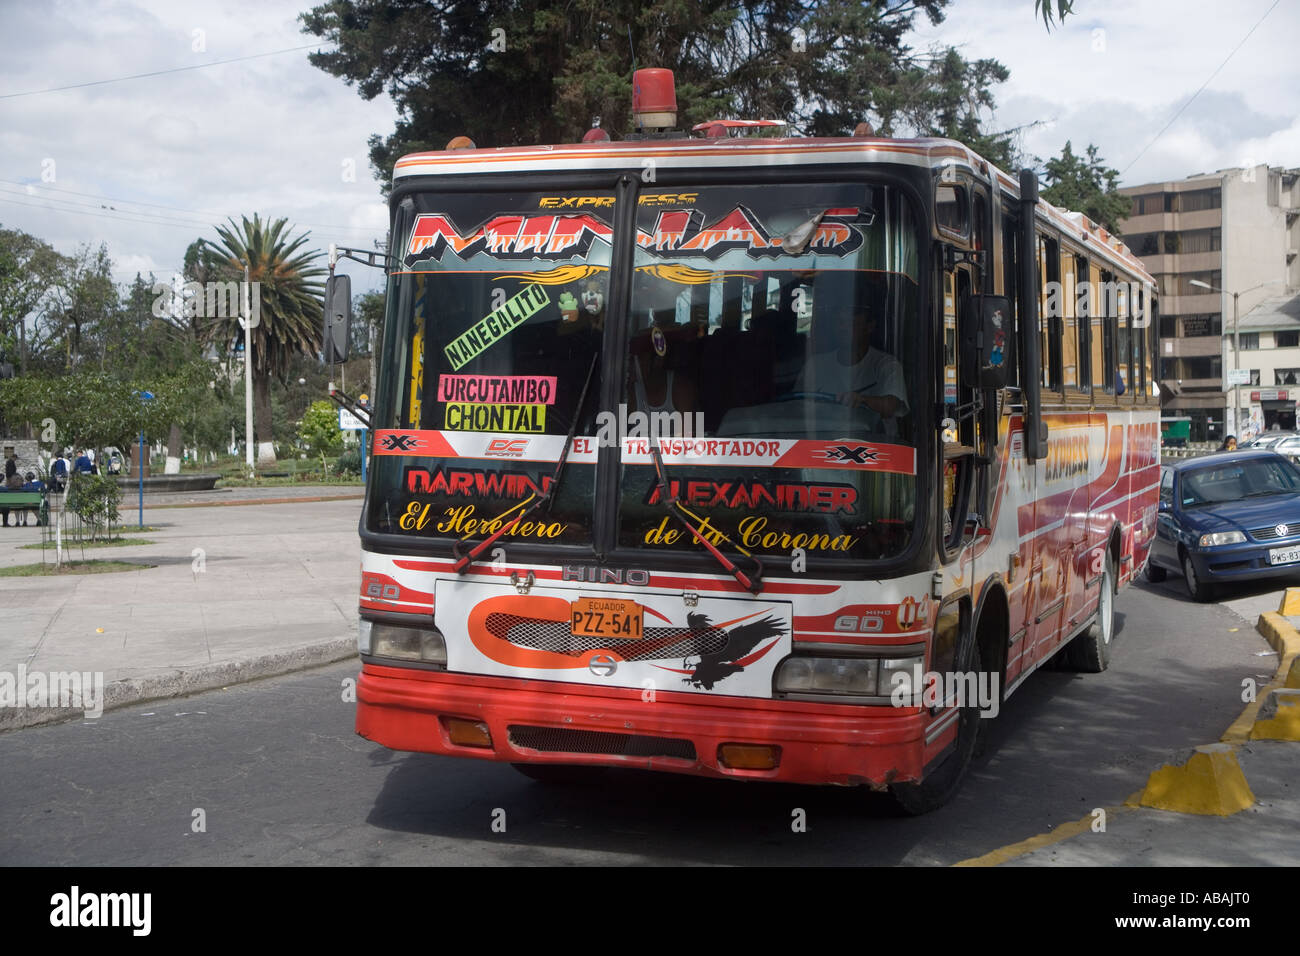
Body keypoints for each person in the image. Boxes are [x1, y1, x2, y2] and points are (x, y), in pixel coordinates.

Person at [796, 303, 908, 433]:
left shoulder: (887, 365)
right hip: (817, 442)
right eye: (839, 322)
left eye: (850, 322)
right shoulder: (815, 364)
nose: (843, 328)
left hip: (876, 446)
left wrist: (863, 400)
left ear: (870, 326)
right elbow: (796, 404)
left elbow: (891, 406)